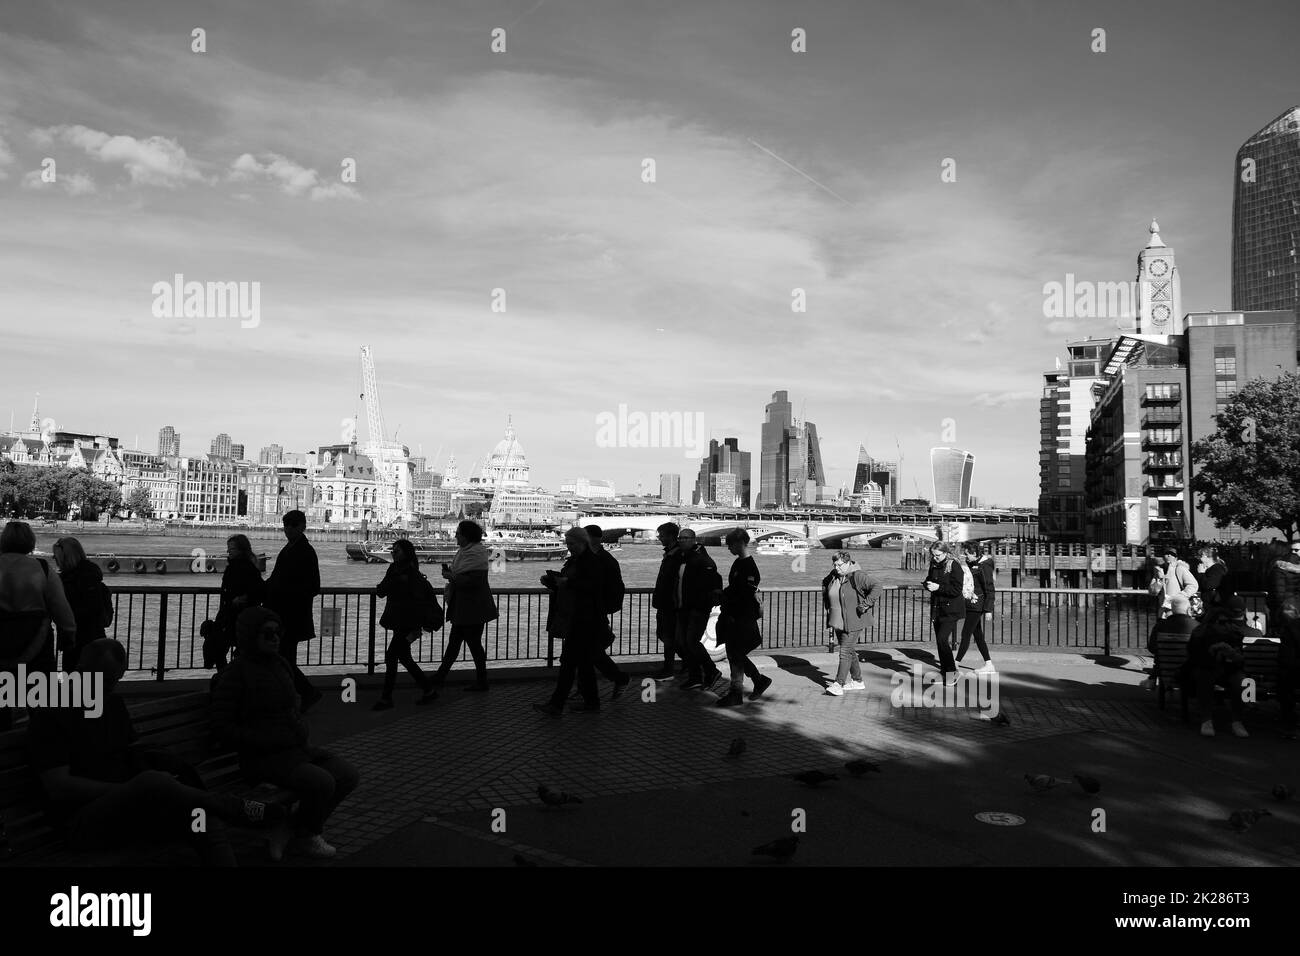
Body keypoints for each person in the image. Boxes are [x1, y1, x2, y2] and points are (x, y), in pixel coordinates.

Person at [27, 638, 283, 866]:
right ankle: (235, 808)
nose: (108, 690)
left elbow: (128, 755)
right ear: (81, 671)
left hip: (129, 810)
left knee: (199, 816)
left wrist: (151, 786)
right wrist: (136, 789)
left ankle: (225, 810)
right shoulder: (51, 714)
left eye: (114, 682)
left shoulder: (110, 703)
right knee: (158, 785)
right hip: (81, 821)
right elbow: (58, 786)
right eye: (105, 681)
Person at [210, 607, 360, 860]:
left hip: (294, 751)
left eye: (278, 632)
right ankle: (305, 833)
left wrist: (299, 728)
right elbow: (222, 726)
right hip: (262, 758)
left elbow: (292, 707)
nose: (276, 638)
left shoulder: (280, 665)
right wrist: (265, 740)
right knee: (322, 782)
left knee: (347, 774)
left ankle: (294, 828)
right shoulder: (236, 674)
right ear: (250, 636)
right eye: (268, 633)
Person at [0, 520, 75, 731]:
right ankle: (42, 746)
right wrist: (68, 632)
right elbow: (60, 606)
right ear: (30, 542)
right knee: (42, 702)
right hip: (37, 640)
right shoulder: (41, 568)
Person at [534, 528, 604, 715]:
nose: (568, 547)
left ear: (582, 543)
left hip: (582, 618)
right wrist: (553, 581)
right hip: (579, 617)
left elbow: (591, 587)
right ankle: (591, 702)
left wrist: (566, 583)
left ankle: (557, 704)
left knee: (569, 663)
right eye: (567, 543)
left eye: (571, 543)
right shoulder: (582, 560)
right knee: (583, 663)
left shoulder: (590, 562)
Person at [264, 511, 323, 712]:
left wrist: (281, 591)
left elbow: (314, 586)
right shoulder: (291, 549)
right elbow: (276, 578)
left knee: (284, 659)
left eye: (292, 525)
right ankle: (295, 696)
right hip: (286, 614)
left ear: (302, 526)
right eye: (286, 525)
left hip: (291, 614)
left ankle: (305, 693)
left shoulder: (305, 551)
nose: (288, 529)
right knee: (284, 658)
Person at [372, 539, 440, 710]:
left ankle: (387, 698)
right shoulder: (408, 572)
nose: (394, 553)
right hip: (405, 623)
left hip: (407, 623)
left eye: (397, 551)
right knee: (403, 657)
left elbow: (382, 591)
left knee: (392, 656)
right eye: (393, 551)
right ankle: (428, 690)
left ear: (406, 553)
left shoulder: (403, 573)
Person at [433, 520, 497, 692]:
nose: (455, 536)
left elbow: (473, 581)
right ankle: (442, 677)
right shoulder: (468, 552)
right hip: (466, 606)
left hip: (471, 607)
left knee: (468, 645)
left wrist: (450, 576)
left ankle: (443, 678)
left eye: (458, 533)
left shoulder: (475, 553)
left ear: (466, 536)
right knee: (461, 644)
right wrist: (452, 575)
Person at [1188, 596, 1260, 738]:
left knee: (1241, 679)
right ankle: (1207, 719)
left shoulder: (1234, 634)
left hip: (1229, 670)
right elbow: (1194, 657)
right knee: (1205, 675)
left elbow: (1242, 661)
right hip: (1207, 668)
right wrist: (1211, 651)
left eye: (1226, 621)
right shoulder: (1202, 634)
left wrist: (1231, 654)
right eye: (1221, 622)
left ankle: (1237, 720)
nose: (1225, 625)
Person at [716, 530, 771, 706]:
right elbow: (736, 589)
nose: (728, 548)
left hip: (741, 618)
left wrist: (725, 596)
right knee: (735, 655)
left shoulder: (749, 567)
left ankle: (738, 691)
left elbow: (744, 593)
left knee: (735, 654)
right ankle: (754, 683)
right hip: (735, 616)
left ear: (740, 543)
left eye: (730, 544)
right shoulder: (739, 563)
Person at [819, 550, 879, 697]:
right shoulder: (834, 575)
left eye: (839, 565)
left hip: (854, 620)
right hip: (838, 620)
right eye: (834, 564)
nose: (836, 567)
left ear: (848, 563)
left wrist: (865, 604)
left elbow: (877, 586)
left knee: (844, 652)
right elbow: (825, 584)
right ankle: (858, 680)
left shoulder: (857, 576)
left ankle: (838, 684)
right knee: (849, 650)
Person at [205, 534, 265, 673]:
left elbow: (257, 590)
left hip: (234, 617)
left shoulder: (242, 568)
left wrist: (242, 599)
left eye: (231, 549)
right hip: (234, 616)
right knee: (233, 650)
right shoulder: (246, 566)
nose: (228, 551)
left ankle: (228, 678)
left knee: (220, 649)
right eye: (228, 548)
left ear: (240, 550)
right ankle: (232, 678)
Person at [674, 528, 724, 692]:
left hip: (697, 608)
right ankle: (695, 677)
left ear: (694, 539)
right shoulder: (683, 557)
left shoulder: (702, 559)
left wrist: (705, 601)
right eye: (680, 538)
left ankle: (711, 670)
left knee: (691, 642)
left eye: (686, 538)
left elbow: (715, 580)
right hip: (683, 608)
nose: (682, 540)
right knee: (683, 643)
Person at [584, 525, 631, 699]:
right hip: (591, 611)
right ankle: (585, 692)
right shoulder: (598, 558)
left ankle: (590, 694)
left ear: (593, 538)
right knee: (586, 654)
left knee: (588, 653)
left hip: (594, 612)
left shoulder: (602, 560)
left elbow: (609, 587)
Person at [51, 536, 107, 673]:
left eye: (55, 557)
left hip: (74, 638)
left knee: (72, 679)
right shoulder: (93, 575)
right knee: (92, 682)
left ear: (64, 558)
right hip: (96, 635)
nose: (55, 560)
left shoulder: (65, 582)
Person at [922, 541, 964, 685]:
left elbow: (957, 589)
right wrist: (927, 584)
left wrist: (938, 587)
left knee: (942, 639)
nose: (935, 558)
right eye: (933, 555)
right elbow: (930, 579)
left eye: (938, 555)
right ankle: (945, 672)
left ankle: (952, 672)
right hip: (937, 608)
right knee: (940, 643)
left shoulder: (954, 565)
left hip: (951, 609)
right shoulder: (934, 565)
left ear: (946, 553)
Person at [651, 522, 686, 680]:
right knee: (667, 636)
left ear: (671, 536)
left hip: (670, 604)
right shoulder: (672, 554)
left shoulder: (677, 555)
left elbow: (675, 580)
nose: (659, 537)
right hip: (666, 602)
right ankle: (688, 665)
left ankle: (671, 668)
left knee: (669, 637)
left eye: (662, 535)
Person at [1142, 593, 1199, 690]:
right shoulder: (1196, 626)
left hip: (1166, 672)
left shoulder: (1160, 626)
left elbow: (1152, 648)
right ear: (1188, 609)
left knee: (1161, 654)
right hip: (1190, 672)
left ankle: (1152, 677)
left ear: (1172, 610)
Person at [955, 542, 996, 672]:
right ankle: (989, 665)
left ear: (974, 553)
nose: (965, 556)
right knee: (978, 635)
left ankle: (955, 663)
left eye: (967, 554)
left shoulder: (984, 566)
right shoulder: (974, 564)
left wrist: (988, 610)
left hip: (977, 604)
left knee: (965, 633)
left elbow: (989, 588)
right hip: (971, 603)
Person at [1147, 548, 1198, 620]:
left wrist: (1179, 596)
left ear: (1176, 558)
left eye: (1172, 555)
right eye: (1167, 554)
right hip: (1162, 611)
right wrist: (1160, 580)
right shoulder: (1159, 570)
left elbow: (1193, 585)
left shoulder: (1180, 568)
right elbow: (1152, 591)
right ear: (1163, 557)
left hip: (1178, 610)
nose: (1169, 556)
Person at [1192, 546, 1228, 615]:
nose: (1199, 560)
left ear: (1205, 556)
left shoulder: (1217, 569)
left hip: (1212, 606)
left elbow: (1209, 585)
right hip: (1209, 605)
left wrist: (1201, 574)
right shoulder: (1211, 569)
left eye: (1200, 557)